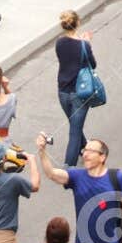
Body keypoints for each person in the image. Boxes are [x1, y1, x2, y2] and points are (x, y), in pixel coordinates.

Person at [38, 136, 122, 243]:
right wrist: (42, 152)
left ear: (102, 157)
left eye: (90, 151)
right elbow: (52, 174)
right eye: (84, 150)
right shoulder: (76, 176)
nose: (85, 154)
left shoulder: (117, 177)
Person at [53, 10, 98, 165]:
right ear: (78, 23)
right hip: (80, 92)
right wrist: (87, 44)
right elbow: (93, 65)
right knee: (74, 132)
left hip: (63, 92)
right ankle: (69, 168)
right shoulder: (83, 45)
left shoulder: (59, 42)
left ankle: (84, 146)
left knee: (74, 125)